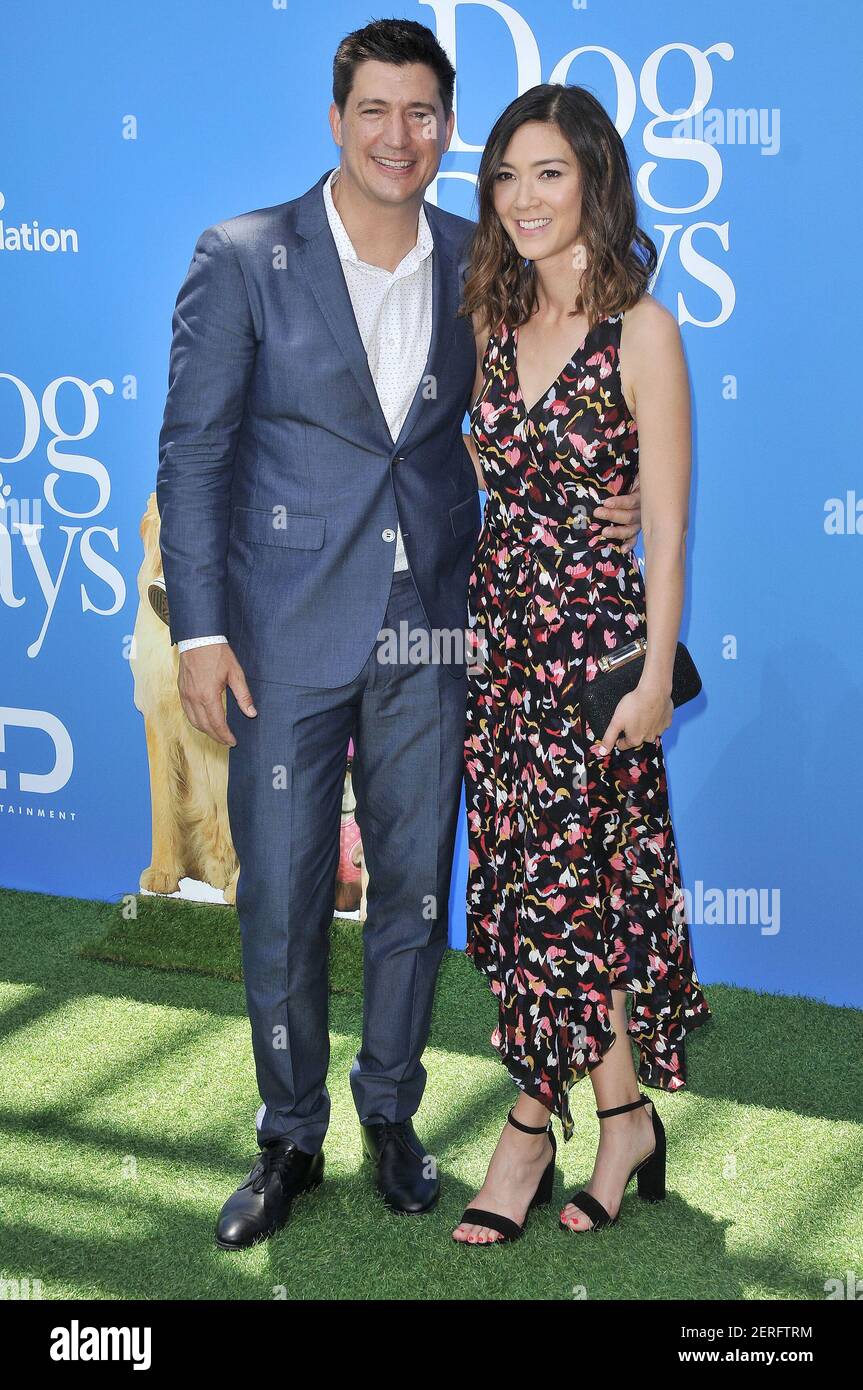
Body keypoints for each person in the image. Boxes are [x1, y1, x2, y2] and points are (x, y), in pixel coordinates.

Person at [156, 20, 641, 1251]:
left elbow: (582, 364)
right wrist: (201, 630)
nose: (398, 135)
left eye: (423, 113)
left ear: (446, 128)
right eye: (374, 110)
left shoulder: (485, 255)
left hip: (436, 635)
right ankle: (286, 1134)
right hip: (276, 641)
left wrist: (619, 483)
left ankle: (389, 1113)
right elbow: (196, 452)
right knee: (280, 898)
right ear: (335, 118)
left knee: (417, 893)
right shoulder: (245, 254)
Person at [453, 83, 712, 1246]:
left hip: (594, 662)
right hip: (502, 650)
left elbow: (664, 528)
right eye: (505, 176)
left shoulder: (642, 331)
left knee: (576, 896)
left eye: (547, 173)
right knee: (540, 896)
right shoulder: (489, 321)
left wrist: (655, 679)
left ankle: (526, 1123)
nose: (521, 198)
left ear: (592, 182)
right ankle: (623, 1116)